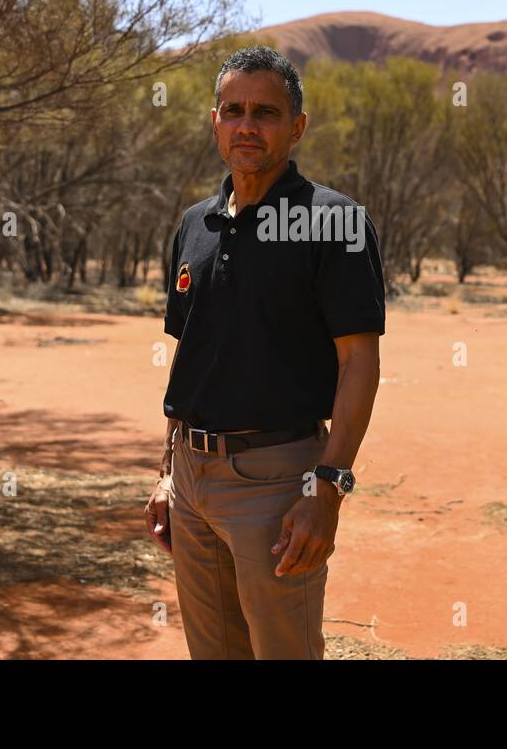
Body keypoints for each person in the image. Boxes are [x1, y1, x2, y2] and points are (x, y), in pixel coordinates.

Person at [143, 45, 385, 659]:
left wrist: (326, 488)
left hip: (278, 480)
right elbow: (188, 355)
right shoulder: (195, 224)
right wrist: (165, 471)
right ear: (215, 121)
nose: (247, 125)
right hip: (191, 478)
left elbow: (360, 363)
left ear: (296, 126)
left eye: (265, 112)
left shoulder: (335, 222)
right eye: (233, 110)